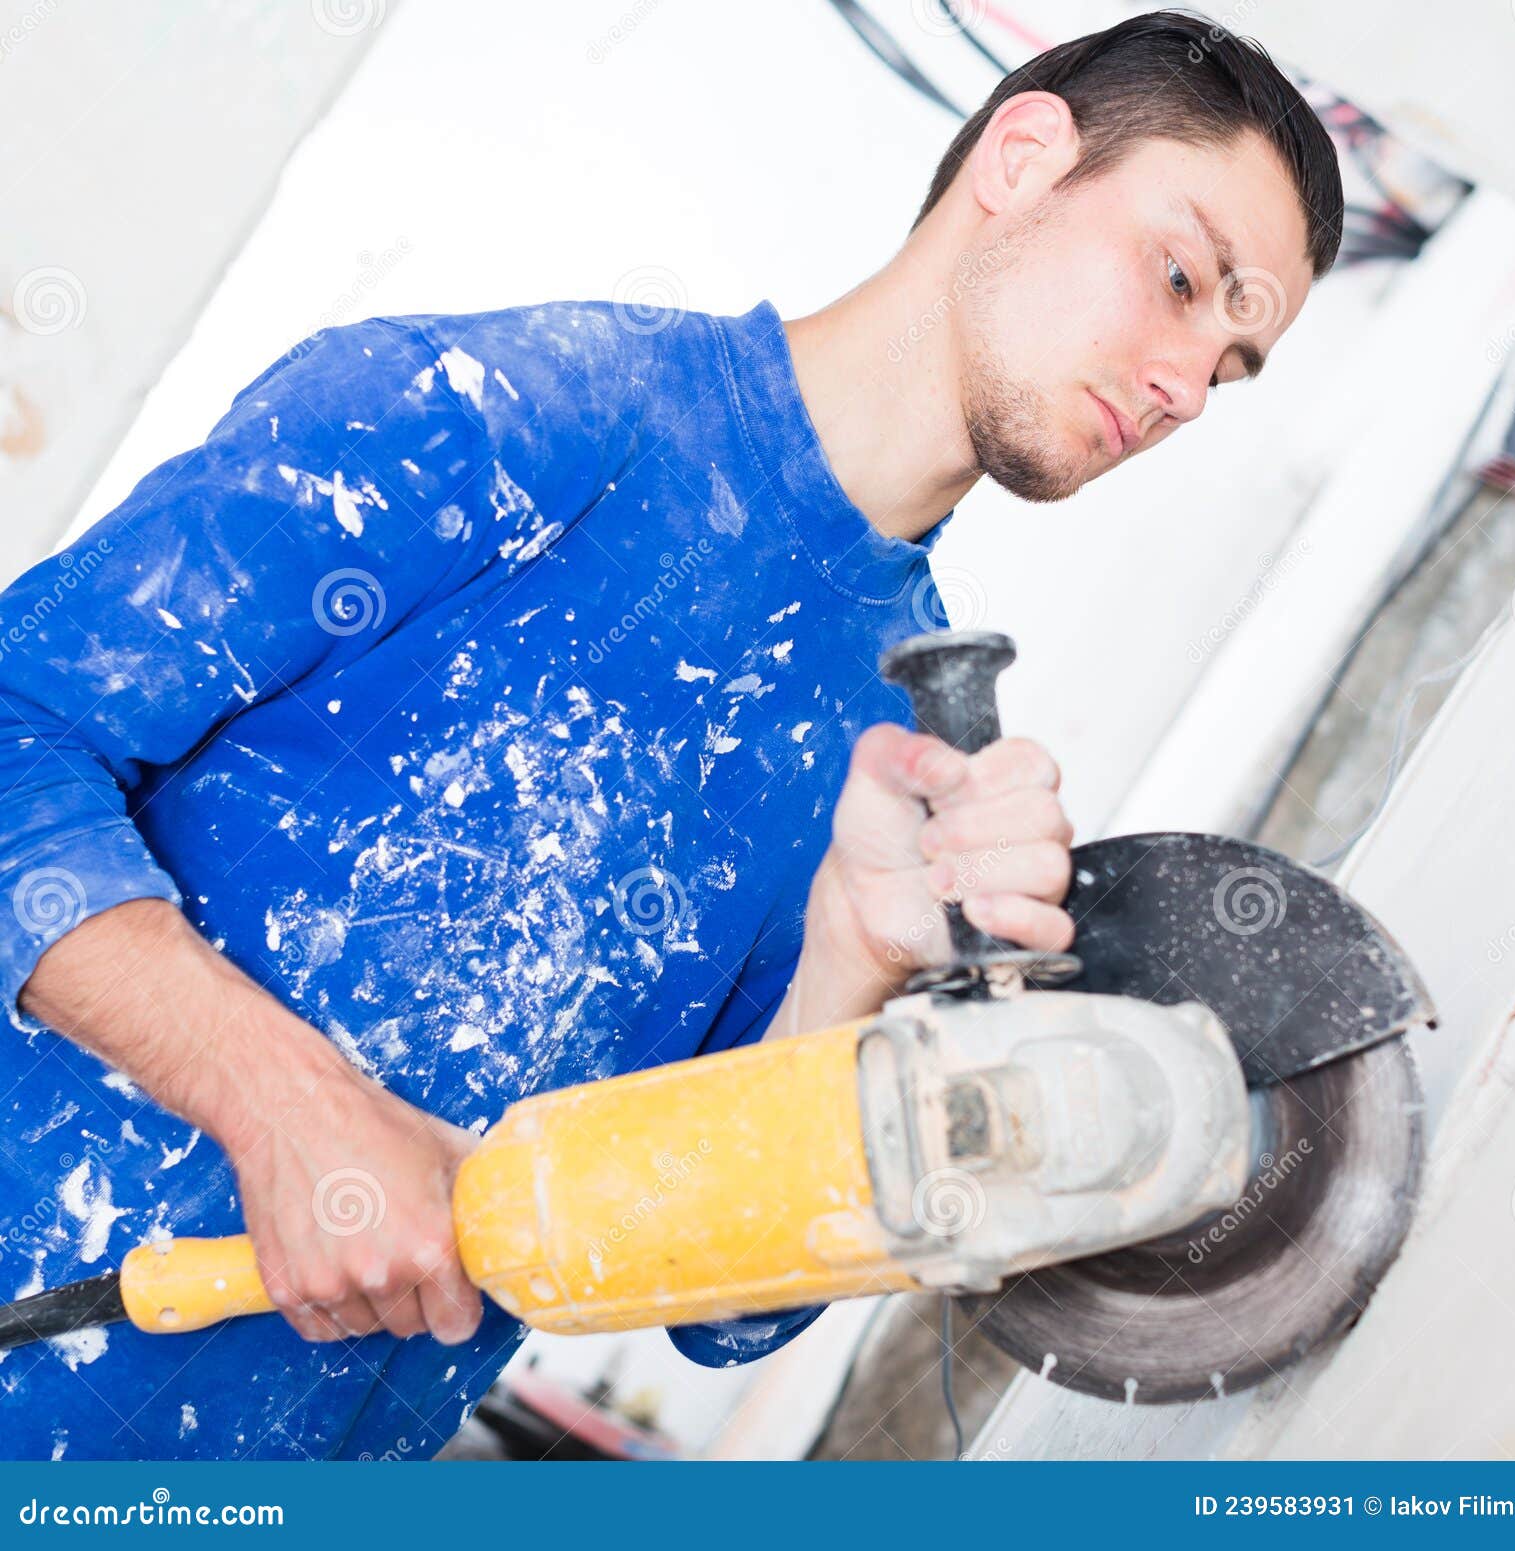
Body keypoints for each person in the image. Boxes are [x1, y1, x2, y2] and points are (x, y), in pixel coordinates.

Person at [0, 11, 1339, 1459]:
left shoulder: (904, 754)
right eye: (1181, 277)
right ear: (1021, 158)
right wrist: (288, 1109)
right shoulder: (508, 420)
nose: (1186, 384)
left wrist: (849, 962)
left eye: (1233, 359)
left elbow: (727, 1312)